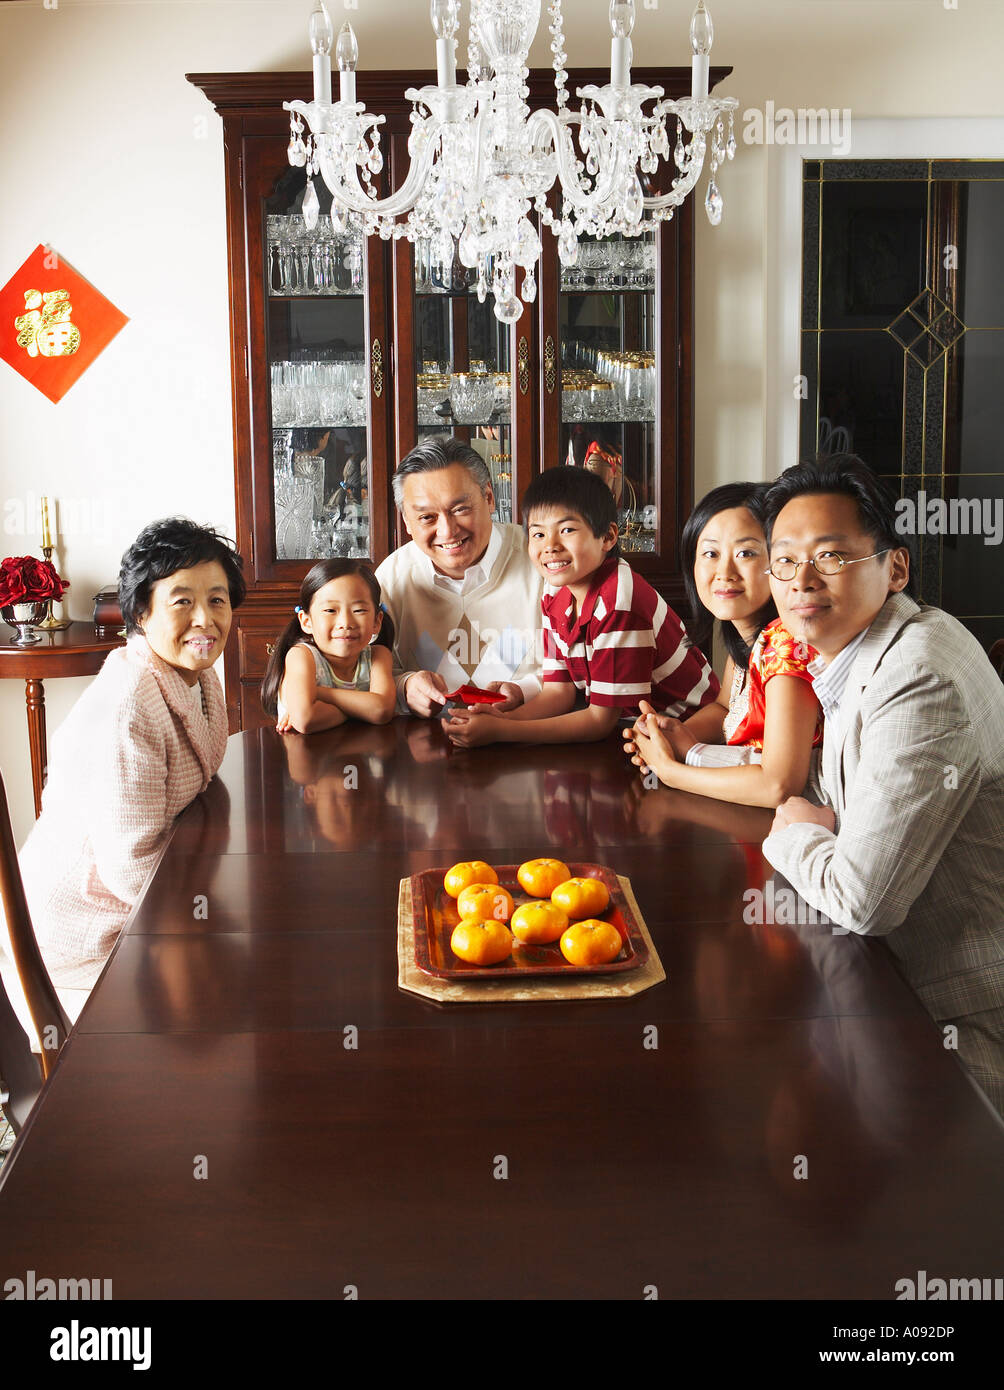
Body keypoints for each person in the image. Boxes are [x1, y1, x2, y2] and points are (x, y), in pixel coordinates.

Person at [759, 454, 1004, 1112]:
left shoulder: (918, 673)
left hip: (962, 1024)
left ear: (894, 567)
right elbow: (831, 791)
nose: (801, 579)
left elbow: (865, 899)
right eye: (783, 560)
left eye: (831, 556)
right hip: (896, 994)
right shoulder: (870, 652)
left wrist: (789, 835)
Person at [10, 518, 245, 1014]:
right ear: (141, 610)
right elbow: (129, 869)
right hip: (80, 940)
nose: (205, 619)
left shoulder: (196, 676)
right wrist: (217, 912)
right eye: (182, 601)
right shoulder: (129, 704)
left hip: (151, 909)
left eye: (218, 600)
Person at [444, 466, 720, 747]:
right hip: (632, 732)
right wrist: (500, 720)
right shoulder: (554, 591)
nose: (550, 546)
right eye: (538, 534)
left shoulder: (618, 601)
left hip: (689, 731)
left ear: (608, 537)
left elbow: (600, 720)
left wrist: (501, 732)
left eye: (567, 530)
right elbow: (558, 693)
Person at [621, 482, 823, 807]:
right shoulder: (745, 635)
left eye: (746, 553)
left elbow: (779, 787)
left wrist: (670, 769)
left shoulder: (787, 644)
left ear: (780, 561)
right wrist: (671, 736)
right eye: (710, 553)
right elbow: (724, 709)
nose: (724, 572)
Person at [374, 435, 543, 717]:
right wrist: (405, 686)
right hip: (423, 748)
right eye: (427, 517)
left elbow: (583, 669)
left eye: (460, 509)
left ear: (489, 498)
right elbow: (354, 673)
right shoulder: (393, 577)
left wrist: (524, 690)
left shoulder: (541, 559)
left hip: (526, 739)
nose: (448, 531)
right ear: (406, 521)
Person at [261, 559, 396, 732]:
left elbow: (382, 710)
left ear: (377, 621)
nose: (345, 623)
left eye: (359, 611)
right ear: (306, 621)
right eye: (330, 611)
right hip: (307, 756)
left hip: (361, 755)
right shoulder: (301, 656)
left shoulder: (379, 656)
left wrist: (319, 693)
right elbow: (305, 719)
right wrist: (362, 709)